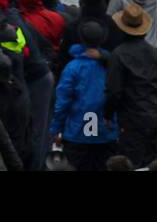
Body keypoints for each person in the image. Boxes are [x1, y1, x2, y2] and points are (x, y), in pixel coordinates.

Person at [105, 4, 157, 168]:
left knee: (132, 163)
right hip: (155, 117)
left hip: (132, 120)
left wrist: (107, 114)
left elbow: (114, 91)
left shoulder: (118, 55)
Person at [51, 20, 118, 171]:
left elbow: (62, 102)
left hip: (77, 134)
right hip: (105, 133)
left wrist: (56, 128)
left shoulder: (72, 68)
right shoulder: (111, 65)